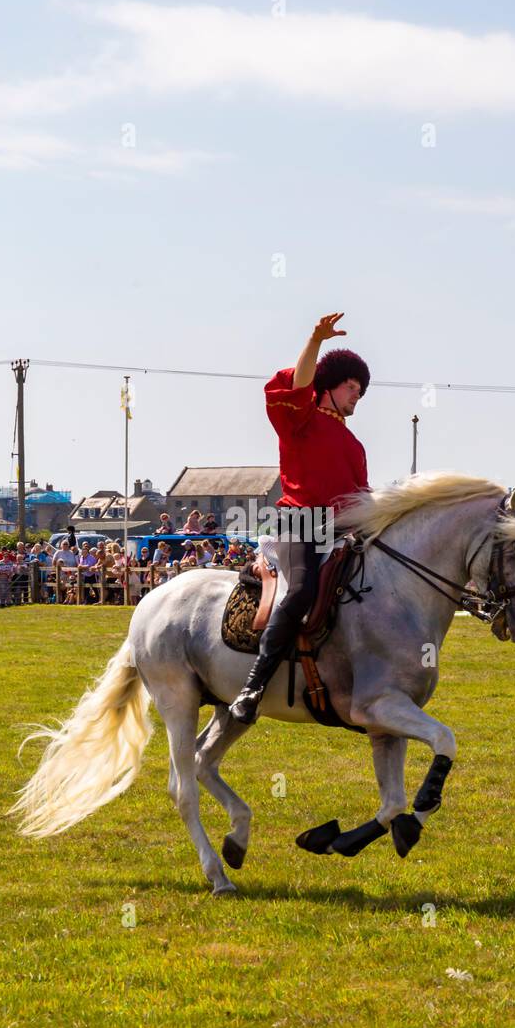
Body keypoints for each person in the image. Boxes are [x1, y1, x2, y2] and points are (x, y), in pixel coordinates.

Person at [229, 311, 370, 725]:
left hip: (340, 532)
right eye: (351, 386)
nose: (357, 394)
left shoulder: (355, 444)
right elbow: (299, 382)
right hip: (298, 524)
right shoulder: (300, 417)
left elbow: (360, 500)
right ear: (330, 386)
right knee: (302, 591)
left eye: (361, 390)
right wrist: (315, 341)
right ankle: (253, 687)